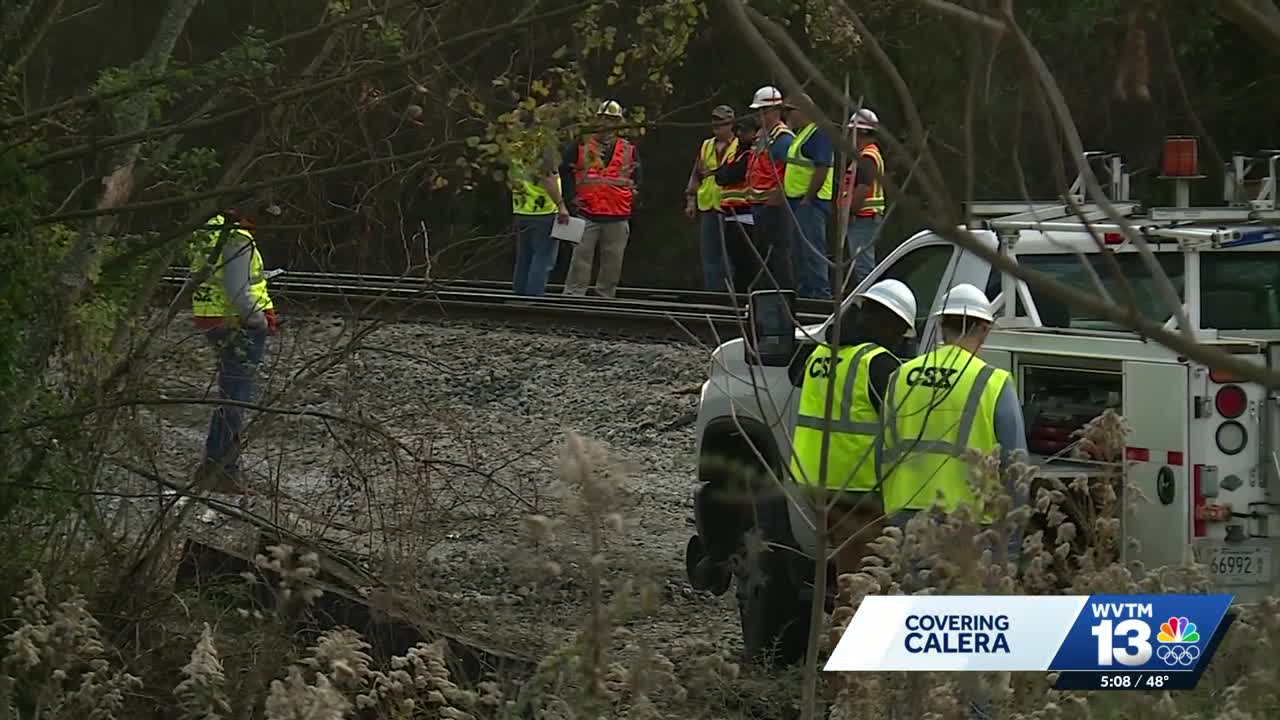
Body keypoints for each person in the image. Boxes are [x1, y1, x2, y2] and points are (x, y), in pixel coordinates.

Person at [789, 279, 917, 576]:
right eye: (900, 332)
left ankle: (838, 614)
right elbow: (908, 418)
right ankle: (849, 620)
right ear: (890, 323)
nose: (900, 340)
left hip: (812, 478)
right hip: (855, 485)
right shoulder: (877, 362)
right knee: (861, 573)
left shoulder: (821, 353)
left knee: (843, 562)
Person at [880, 283, 1028, 540]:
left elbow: (881, 448)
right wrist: (1012, 536)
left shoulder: (900, 375)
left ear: (940, 327)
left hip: (905, 511)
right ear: (984, 329)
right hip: (968, 517)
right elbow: (1015, 464)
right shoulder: (993, 381)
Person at [188, 200, 281, 495]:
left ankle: (214, 467)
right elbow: (239, 292)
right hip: (237, 324)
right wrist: (259, 321)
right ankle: (221, 470)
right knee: (236, 399)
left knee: (230, 395)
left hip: (215, 319)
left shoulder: (211, 232)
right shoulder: (237, 240)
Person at [561, 99, 641, 298]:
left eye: (612, 120)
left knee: (613, 262)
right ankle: (573, 297)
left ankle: (604, 299)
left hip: (618, 213)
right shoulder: (580, 145)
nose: (607, 124)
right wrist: (570, 202)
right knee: (579, 259)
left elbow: (637, 178)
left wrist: (632, 198)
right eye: (604, 119)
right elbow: (564, 174)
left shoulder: (628, 149)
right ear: (597, 119)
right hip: (584, 212)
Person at [782, 93, 836, 299]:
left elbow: (821, 168)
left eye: (789, 111)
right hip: (797, 202)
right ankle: (805, 296)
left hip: (811, 203)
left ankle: (821, 298)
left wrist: (807, 198)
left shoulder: (818, 134)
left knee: (812, 252)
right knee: (800, 254)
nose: (787, 116)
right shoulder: (801, 134)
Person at [745, 85, 795, 292]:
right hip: (759, 204)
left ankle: (783, 293)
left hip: (773, 206)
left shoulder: (783, 139)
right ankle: (767, 292)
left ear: (773, 111)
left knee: (777, 254)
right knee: (763, 254)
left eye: (761, 111)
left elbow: (786, 173)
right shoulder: (764, 136)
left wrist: (776, 198)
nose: (758, 116)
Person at [686, 105, 739, 291]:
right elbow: (696, 173)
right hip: (708, 205)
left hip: (730, 206)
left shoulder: (738, 145)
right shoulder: (707, 145)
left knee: (731, 255)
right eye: (715, 121)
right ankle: (713, 293)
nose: (716, 125)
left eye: (721, 121)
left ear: (731, 124)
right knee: (710, 255)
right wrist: (690, 200)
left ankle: (731, 294)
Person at [509, 141, 570, 296]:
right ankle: (534, 297)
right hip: (543, 211)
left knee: (524, 258)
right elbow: (548, 179)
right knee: (543, 258)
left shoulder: (516, 148)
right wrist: (561, 205)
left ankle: (520, 294)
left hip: (522, 209)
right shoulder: (542, 148)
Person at [838, 109, 886, 287]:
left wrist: (850, 211)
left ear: (861, 133)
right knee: (862, 265)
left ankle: (868, 302)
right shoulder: (866, 155)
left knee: (863, 267)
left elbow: (863, 188)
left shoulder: (867, 157)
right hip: (864, 217)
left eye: (852, 132)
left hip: (863, 217)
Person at [714, 115, 762, 292]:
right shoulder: (735, 152)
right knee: (735, 260)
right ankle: (739, 294)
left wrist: (726, 173)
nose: (740, 134)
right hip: (731, 213)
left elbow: (733, 174)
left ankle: (746, 296)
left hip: (746, 215)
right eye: (739, 130)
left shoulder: (752, 153)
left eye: (745, 131)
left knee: (746, 262)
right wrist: (725, 173)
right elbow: (720, 175)